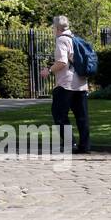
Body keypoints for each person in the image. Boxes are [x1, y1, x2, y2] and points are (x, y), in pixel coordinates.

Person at [40, 15, 91, 153]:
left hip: (66, 84)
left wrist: (48, 70)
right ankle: (85, 146)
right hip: (81, 83)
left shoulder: (61, 40)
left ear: (56, 27)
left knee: (59, 115)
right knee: (82, 116)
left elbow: (62, 62)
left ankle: (71, 144)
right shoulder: (75, 39)